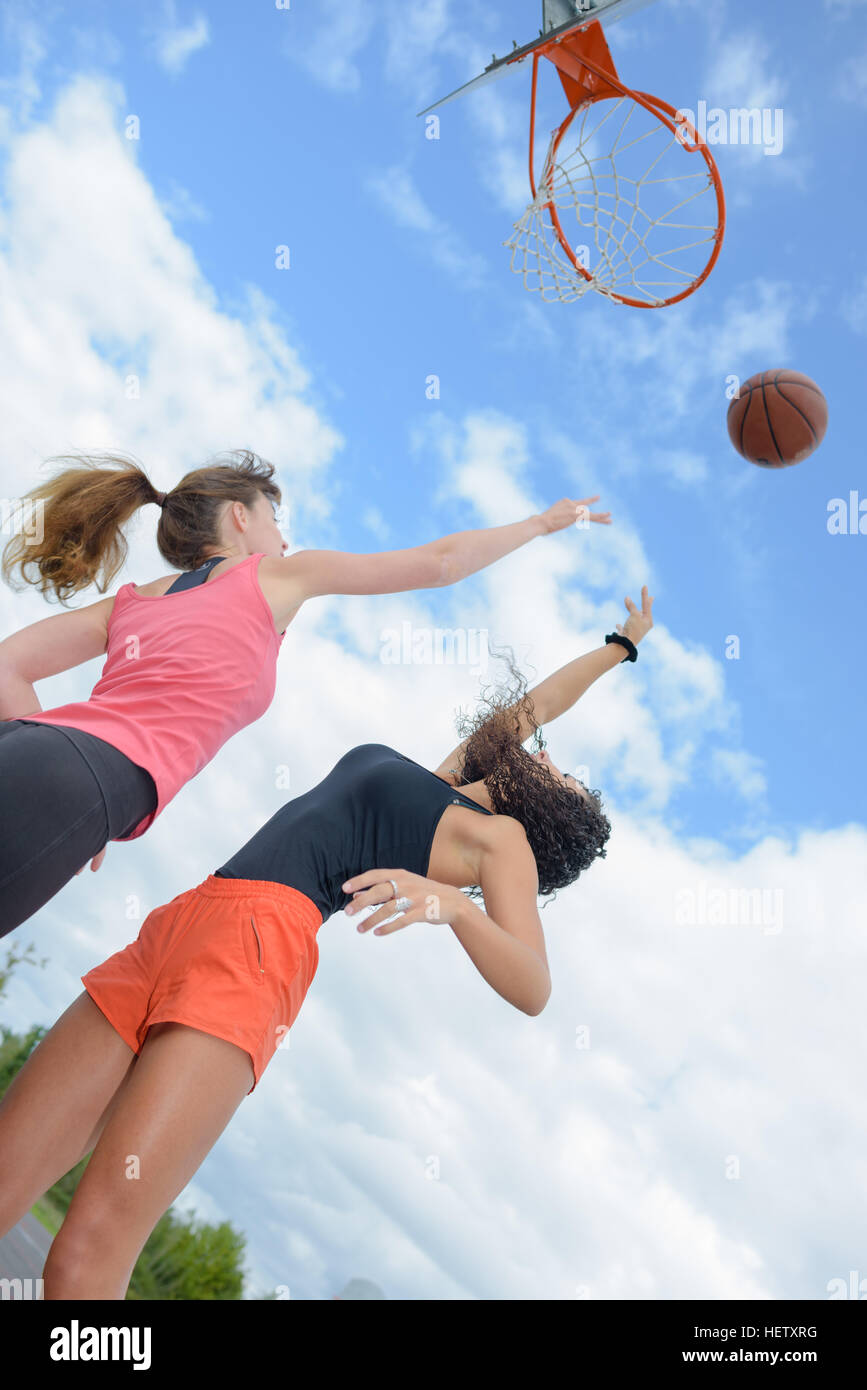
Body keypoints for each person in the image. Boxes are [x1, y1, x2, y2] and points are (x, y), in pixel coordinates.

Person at [0, 586, 653, 1298]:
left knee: (85, 1258)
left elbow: (534, 984)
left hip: (257, 949)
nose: (554, 757)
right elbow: (542, 702)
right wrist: (620, 648)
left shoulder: (504, 843)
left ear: (552, 811)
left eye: (567, 779)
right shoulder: (448, 781)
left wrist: (455, 911)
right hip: (187, 918)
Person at [0, 446, 611, 935]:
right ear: (241, 517)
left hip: (28, 747)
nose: (284, 539)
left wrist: (57, 762)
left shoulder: (129, 603)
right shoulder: (276, 574)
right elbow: (441, 565)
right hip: (91, 779)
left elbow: (9, 666)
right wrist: (539, 523)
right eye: (274, 518)